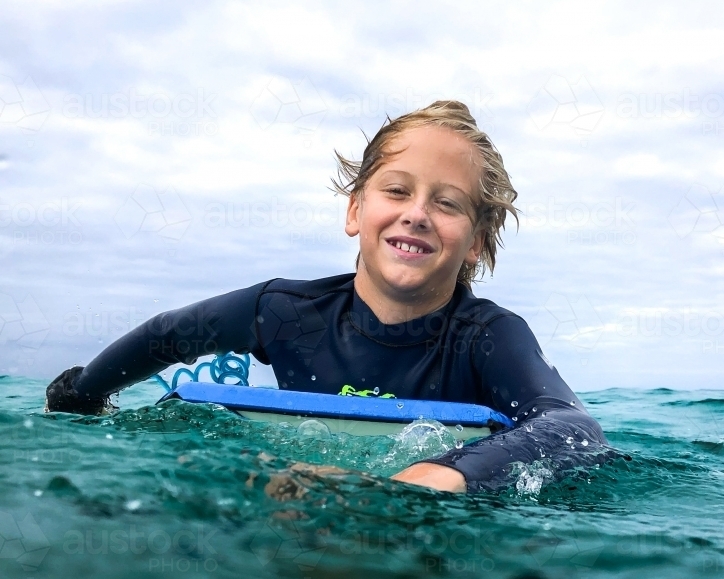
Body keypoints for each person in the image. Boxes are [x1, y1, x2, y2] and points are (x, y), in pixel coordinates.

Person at [45, 100, 606, 493]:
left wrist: (447, 472)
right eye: (396, 190)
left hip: (435, 524)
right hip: (307, 496)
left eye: (448, 203)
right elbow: (167, 336)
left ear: (477, 243)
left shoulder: (486, 337)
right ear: (355, 210)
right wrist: (81, 395)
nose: (416, 212)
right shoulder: (286, 314)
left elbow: (572, 427)